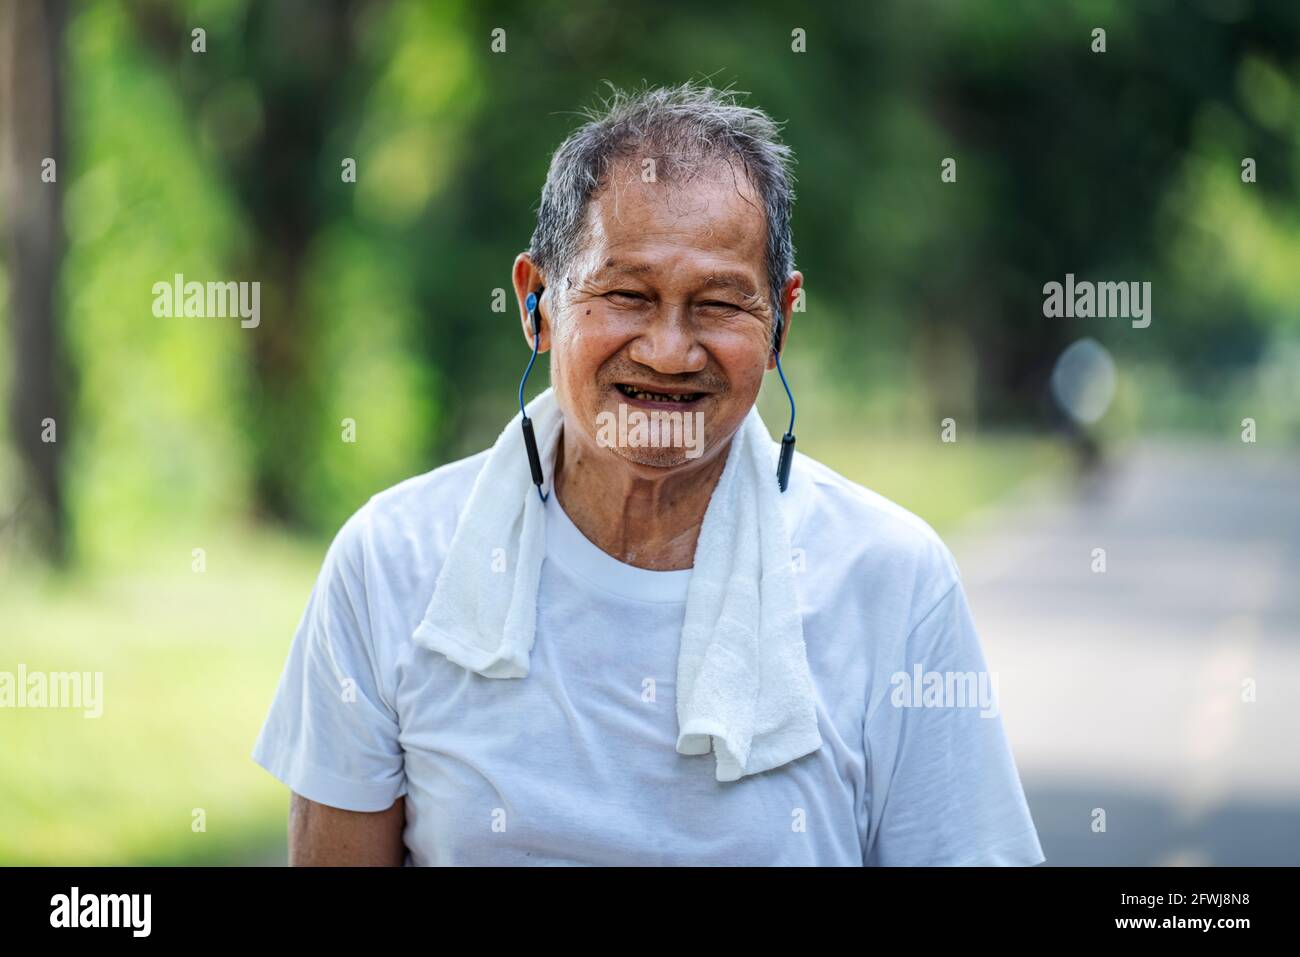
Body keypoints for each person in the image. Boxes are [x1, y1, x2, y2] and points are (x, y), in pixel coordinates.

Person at [252, 82, 1045, 867]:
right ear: (538, 304)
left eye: (719, 304)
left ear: (780, 323)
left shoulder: (891, 582)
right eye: (627, 295)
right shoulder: (390, 564)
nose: (668, 351)